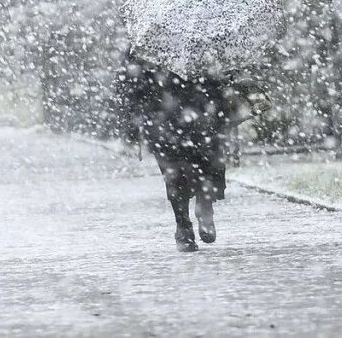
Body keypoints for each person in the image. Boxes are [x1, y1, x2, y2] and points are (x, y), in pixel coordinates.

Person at [112, 49, 267, 252]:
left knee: (204, 167)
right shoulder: (144, 47)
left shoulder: (152, 43)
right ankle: (184, 224)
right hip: (167, 122)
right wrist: (131, 129)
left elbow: (129, 86)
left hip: (201, 117)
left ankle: (201, 209)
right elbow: (131, 86)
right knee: (176, 174)